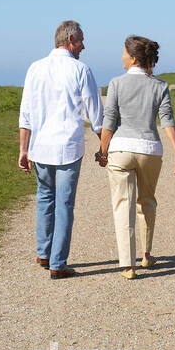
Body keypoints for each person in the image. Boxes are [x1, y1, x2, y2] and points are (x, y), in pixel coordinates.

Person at [18, 20, 104, 278]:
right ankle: (58, 264)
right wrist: (105, 146)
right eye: (81, 41)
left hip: (41, 146)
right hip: (68, 147)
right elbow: (95, 112)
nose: (83, 46)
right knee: (64, 203)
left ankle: (43, 253)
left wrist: (23, 149)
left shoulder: (35, 68)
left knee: (45, 197)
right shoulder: (80, 69)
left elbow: (26, 112)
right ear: (70, 41)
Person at [97, 36, 175, 279]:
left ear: (133, 58)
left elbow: (109, 121)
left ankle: (128, 265)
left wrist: (103, 152)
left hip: (121, 150)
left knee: (122, 206)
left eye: (124, 53)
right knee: (147, 201)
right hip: (150, 150)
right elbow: (167, 119)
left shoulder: (116, 83)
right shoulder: (160, 85)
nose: (121, 57)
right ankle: (146, 255)